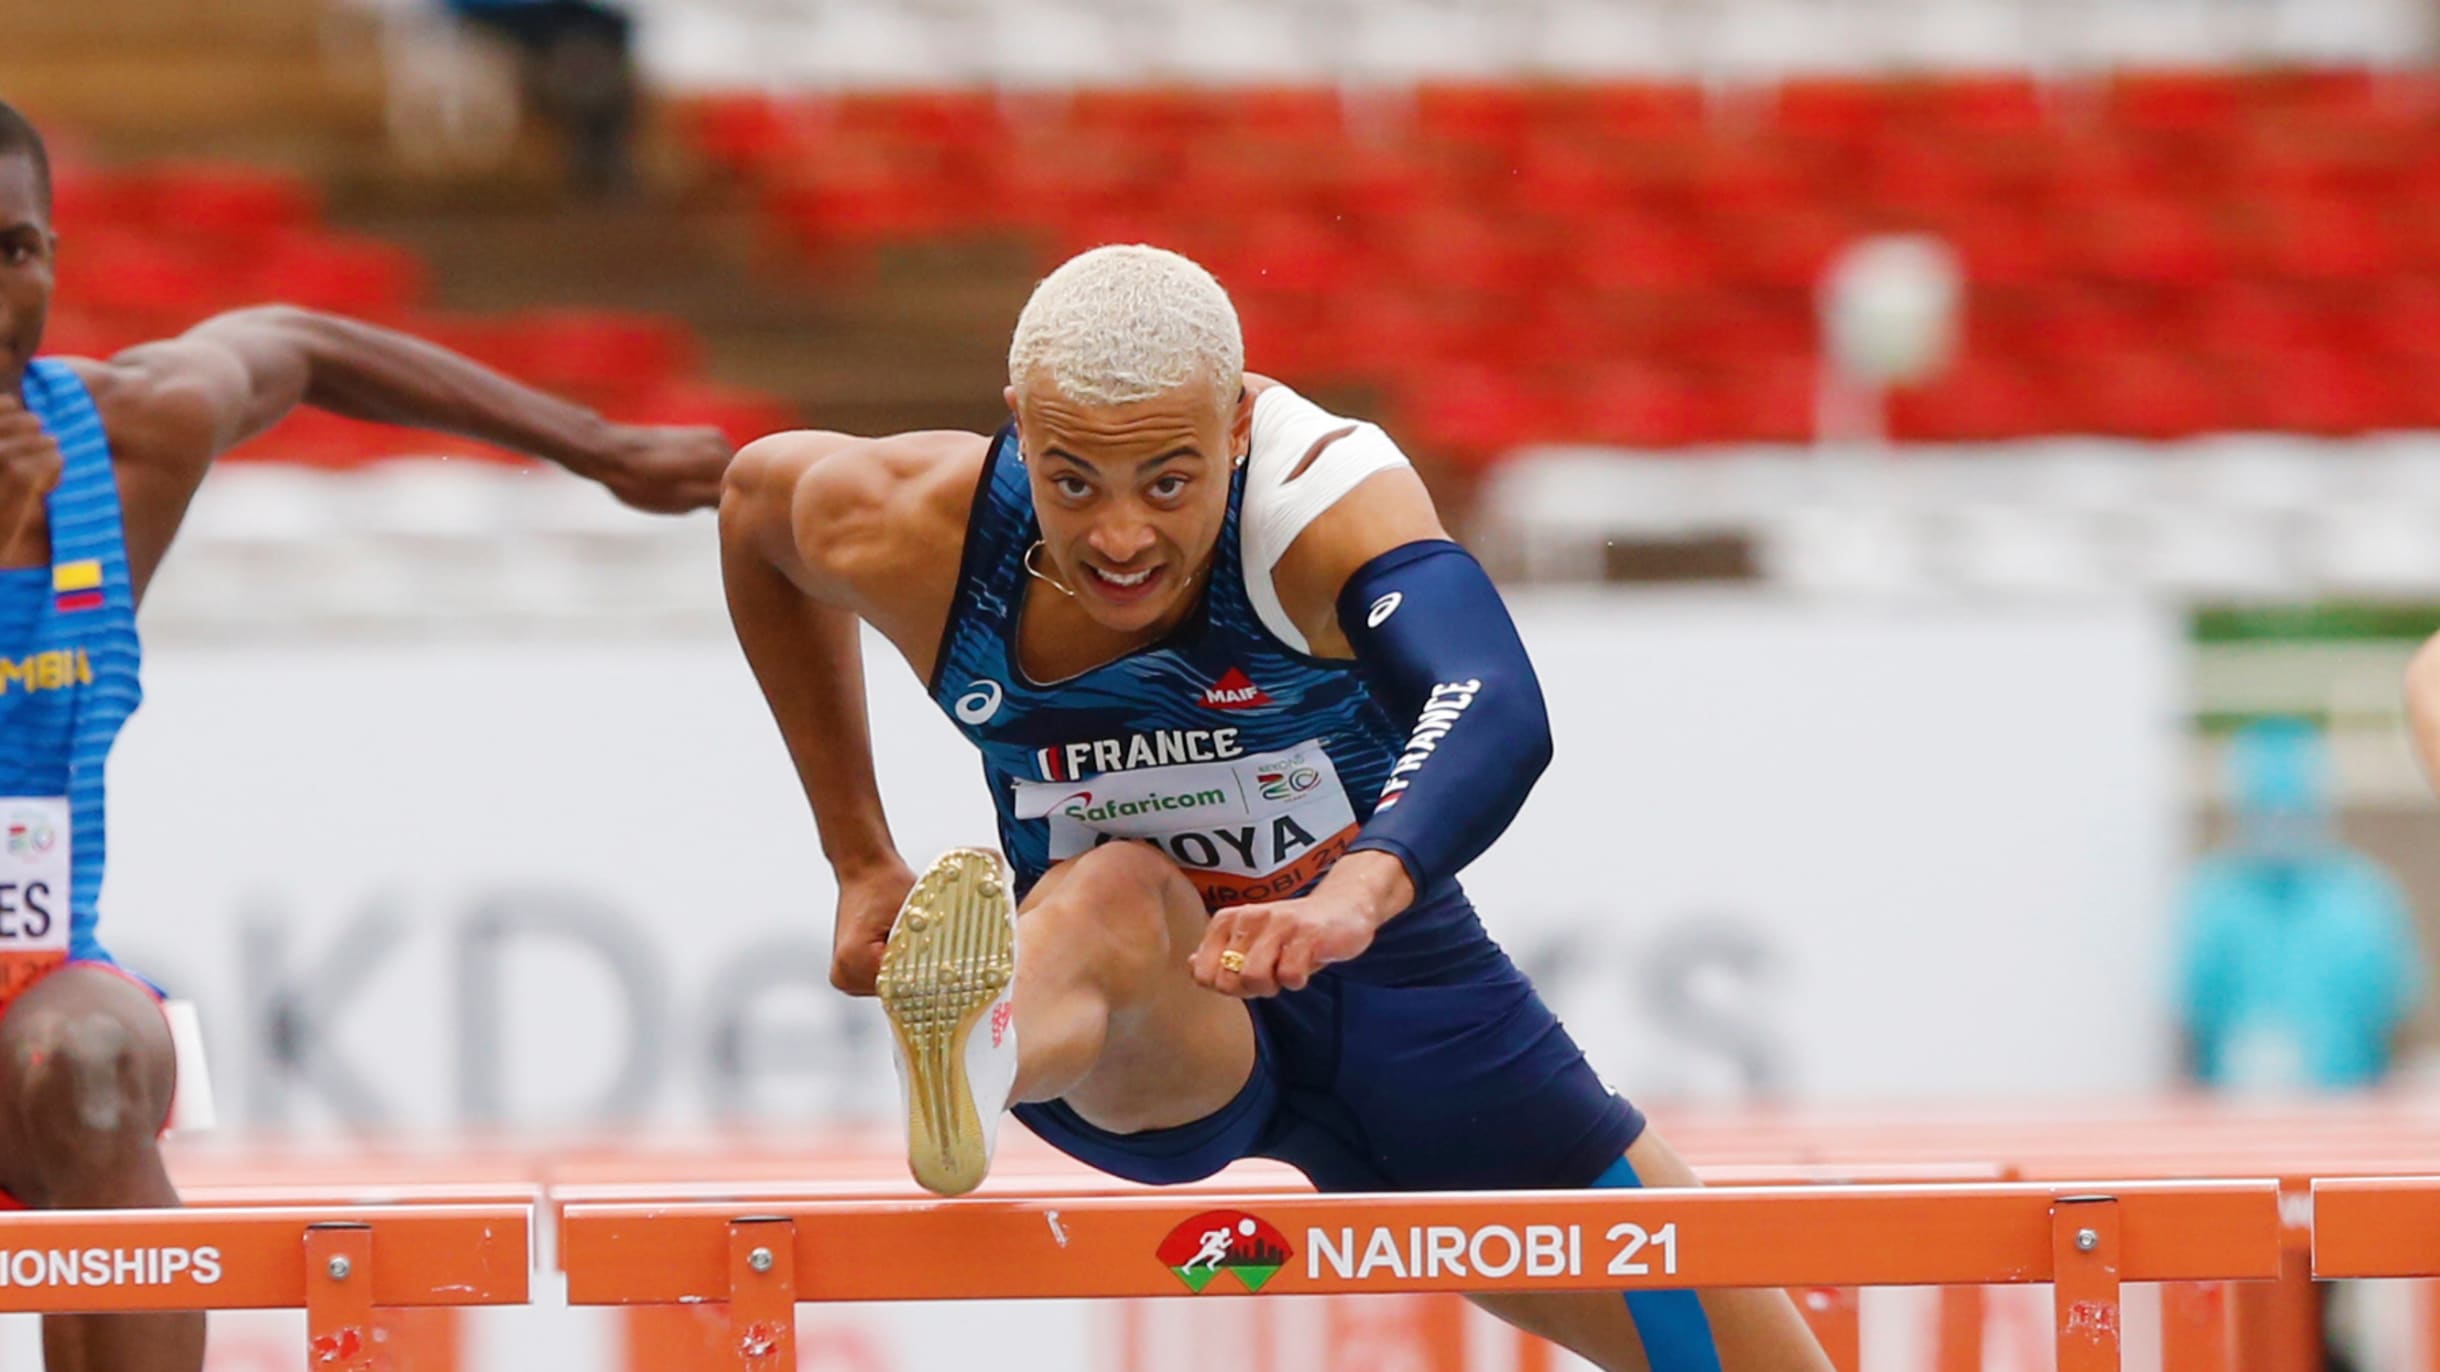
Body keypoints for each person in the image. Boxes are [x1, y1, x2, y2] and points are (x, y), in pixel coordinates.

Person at [721, 244, 1831, 1371]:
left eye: (1168, 483)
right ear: (1018, 422)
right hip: (1150, 1011)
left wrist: (1356, 891)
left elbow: (1491, 697)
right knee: (1118, 889)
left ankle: (997, 1033)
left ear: (1238, 424)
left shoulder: (1322, 504)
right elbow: (753, 506)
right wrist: (859, 856)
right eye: (1073, 483)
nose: (1119, 538)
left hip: (1403, 996)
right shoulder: (922, 526)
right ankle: (981, 1046)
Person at [0, 99, 729, 1372]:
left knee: (95, 1062)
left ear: (52, 258)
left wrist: (600, 447)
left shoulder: (121, 441)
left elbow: (296, 343)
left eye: (11, 249)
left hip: (39, 982)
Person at [2175, 717, 2422, 1093]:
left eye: (2293, 810)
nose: (2280, 821)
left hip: (2348, 1102)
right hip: (2231, 1107)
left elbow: (2399, 1020)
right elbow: (2188, 1024)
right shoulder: (2213, 898)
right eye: (2266, 809)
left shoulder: (2363, 898)